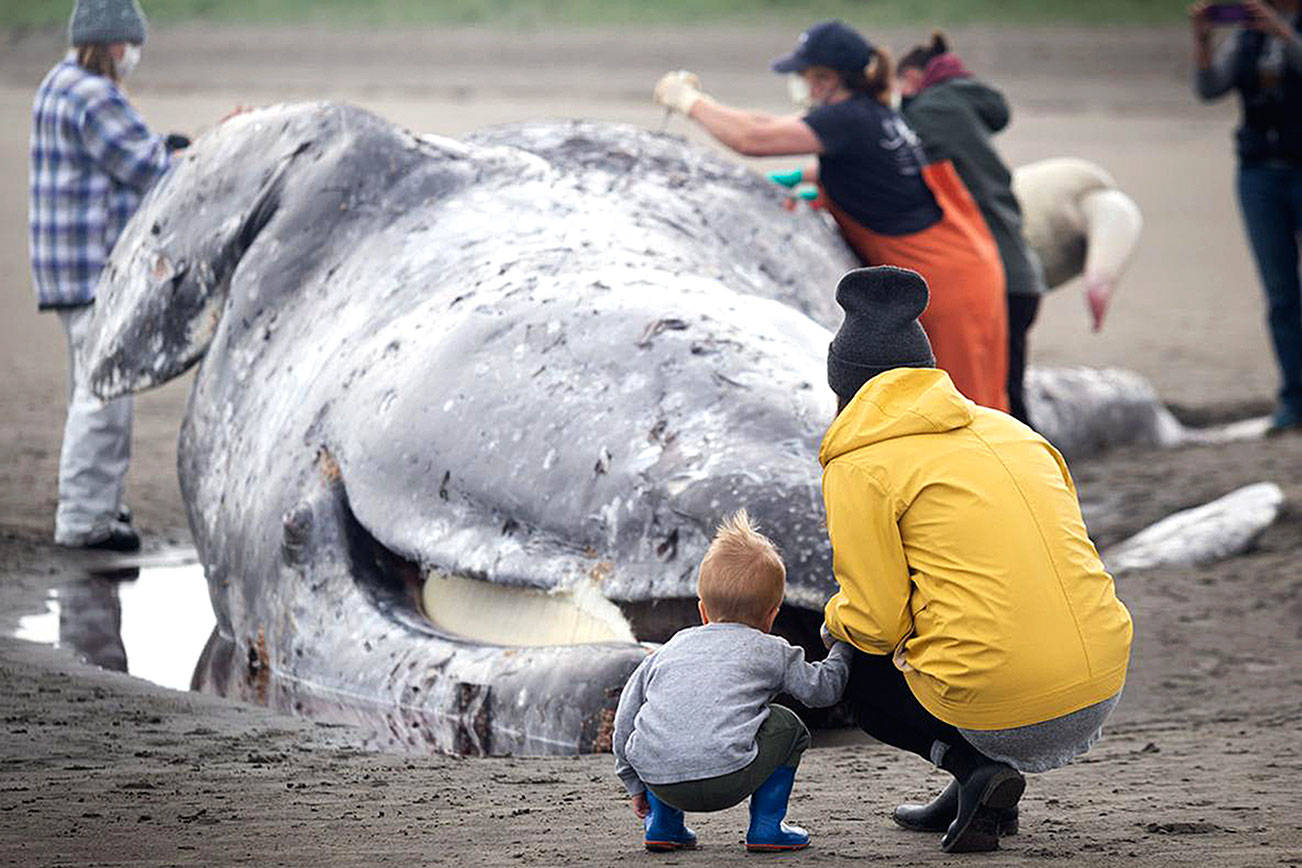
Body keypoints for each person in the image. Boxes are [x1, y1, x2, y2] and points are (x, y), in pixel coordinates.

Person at [818, 266, 1133, 853]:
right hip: (1102, 680)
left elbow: (876, 621)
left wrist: (832, 621)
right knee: (967, 602)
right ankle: (977, 789)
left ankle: (973, 768)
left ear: (845, 388)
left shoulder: (860, 466)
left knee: (854, 659)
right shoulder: (1013, 432)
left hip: (1011, 705)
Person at [653, 19, 1010, 413]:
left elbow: (754, 137)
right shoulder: (872, 113)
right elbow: (861, 168)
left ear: (825, 79)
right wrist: (812, 181)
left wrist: (690, 102)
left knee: (961, 408)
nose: (802, 87)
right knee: (981, 399)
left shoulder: (848, 119)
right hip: (968, 264)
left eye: (805, 77)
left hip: (944, 280)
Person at [612, 510, 853, 853]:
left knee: (662, 716)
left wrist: (633, 783)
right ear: (772, 615)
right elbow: (823, 691)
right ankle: (767, 828)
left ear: (703, 611)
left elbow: (626, 718)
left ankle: (664, 825)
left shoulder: (669, 649)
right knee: (788, 724)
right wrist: (843, 644)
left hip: (659, 781)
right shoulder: (772, 649)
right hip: (726, 779)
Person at [30, 0, 178, 551]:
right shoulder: (95, 96)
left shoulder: (57, 84)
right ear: (114, 43)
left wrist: (168, 146)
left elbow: (121, 157)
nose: (132, 54)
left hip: (65, 271)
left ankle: (99, 506)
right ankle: (85, 521)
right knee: (103, 403)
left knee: (90, 393)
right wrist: (196, 154)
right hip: (95, 273)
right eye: (130, 44)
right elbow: (150, 170)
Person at [897, 32, 1047, 426]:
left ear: (913, 77)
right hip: (1022, 275)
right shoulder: (963, 106)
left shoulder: (932, 110)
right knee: (1008, 392)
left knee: (998, 404)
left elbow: (898, 160)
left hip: (996, 277)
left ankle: (1031, 462)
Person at [1191, 0, 1302, 434]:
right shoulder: (1246, 34)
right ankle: (1293, 399)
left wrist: (1284, 35)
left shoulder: (1272, 26)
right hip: (1259, 173)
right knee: (1281, 295)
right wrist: (1202, 41)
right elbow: (1209, 89)